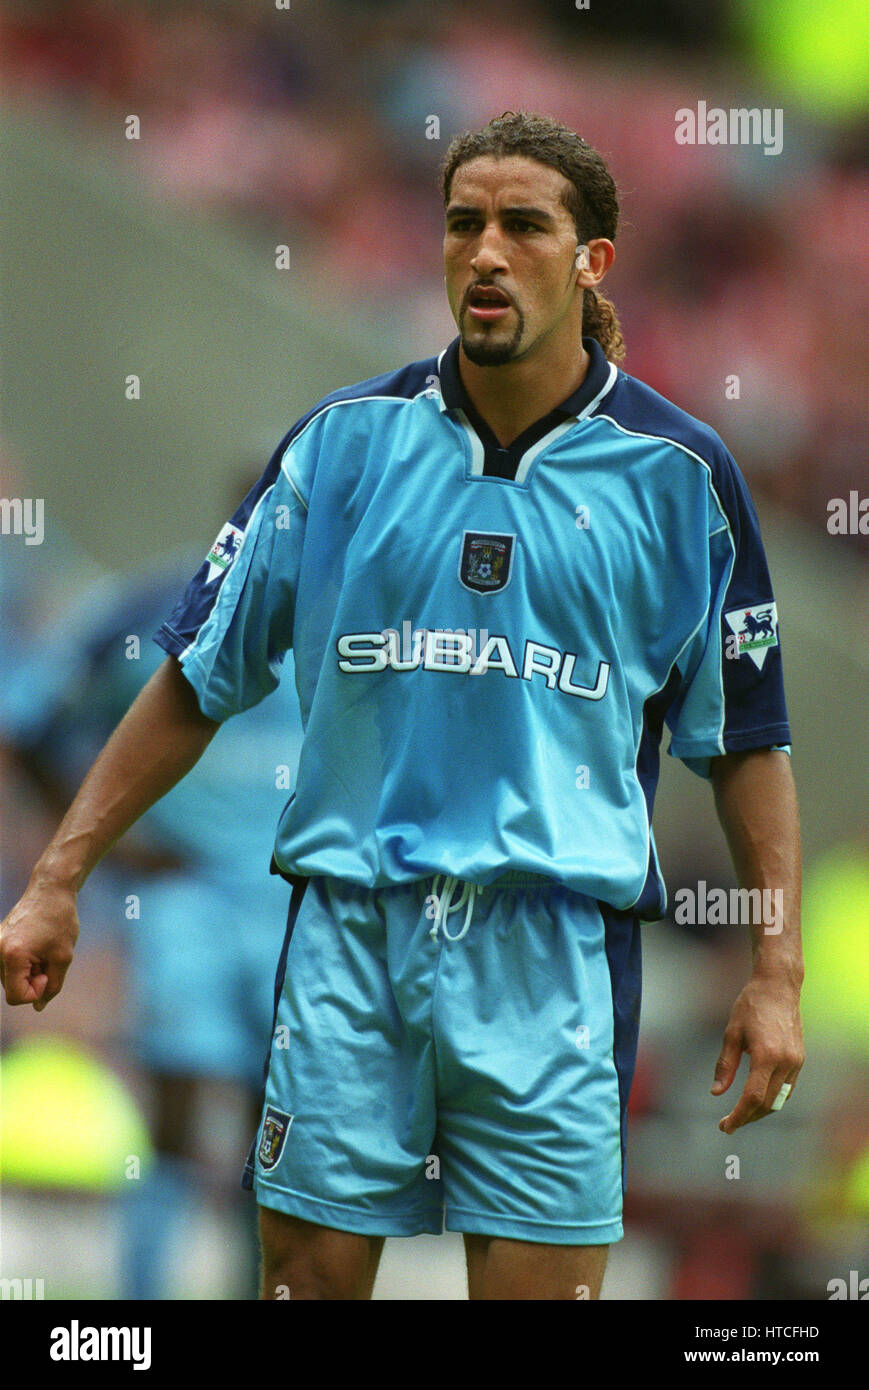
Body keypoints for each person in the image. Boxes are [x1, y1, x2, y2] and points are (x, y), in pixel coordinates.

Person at [0, 111, 805, 1301]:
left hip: (553, 957)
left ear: (592, 262)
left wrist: (775, 972)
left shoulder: (678, 478)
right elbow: (195, 677)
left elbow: (743, 742)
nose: (484, 251)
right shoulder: (341, 448)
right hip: (350, 939)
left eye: (522, 225)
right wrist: (57, 880)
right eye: (461, 222)